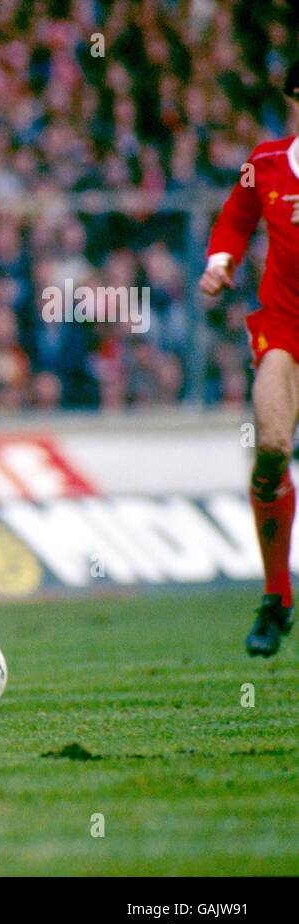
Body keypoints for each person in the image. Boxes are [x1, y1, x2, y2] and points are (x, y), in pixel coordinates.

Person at [200, 60, 299, 657]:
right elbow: (234, 222)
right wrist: (219, 265)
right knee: (270, 446)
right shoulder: (263, 165)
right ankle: (275, 595)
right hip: (284, 326)